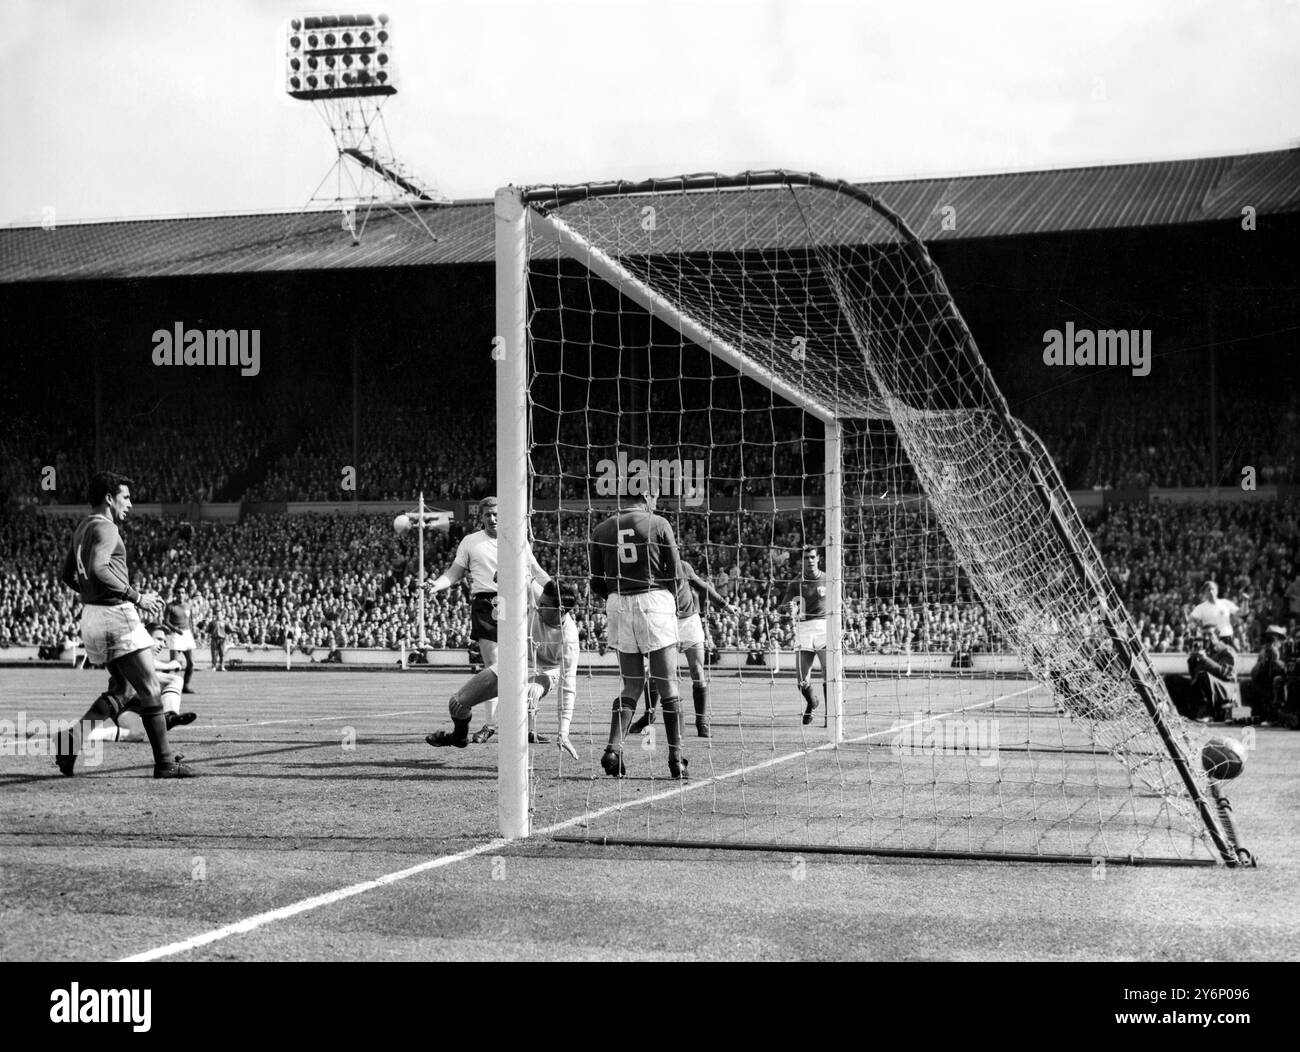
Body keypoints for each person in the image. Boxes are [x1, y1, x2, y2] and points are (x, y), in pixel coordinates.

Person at [55, 471, 195, 778]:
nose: (130, 504)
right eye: (126, 497)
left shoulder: (82, 528)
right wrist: (137, 596)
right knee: (150, 687)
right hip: (115, 614)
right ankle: (165, 762)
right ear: (109, 498)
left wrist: (93, 595)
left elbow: (68, 575)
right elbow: (98, 567)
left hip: (92, 615)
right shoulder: (107, 529)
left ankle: (72, 739)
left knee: (122, 689)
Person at [427, 497, 551, 743]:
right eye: (488, 515)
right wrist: (436, 585)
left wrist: (557, 592)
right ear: (481, 517)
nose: (493, 519)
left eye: (496, 514)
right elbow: (454, 573)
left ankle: (522, 726)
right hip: (486, 605)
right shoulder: (471, 542)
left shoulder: (518, 540)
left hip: (516, 602)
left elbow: (536, 571)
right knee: (495, 668)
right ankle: (491, 724)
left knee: (523, 666)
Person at [590, 485, 685, 778]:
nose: (656, 501)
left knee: (631, 685)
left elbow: (595, 581)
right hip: (653, 599)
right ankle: (676, 759)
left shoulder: (602, 528)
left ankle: (613, 750)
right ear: (646, 495)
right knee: (667, 684)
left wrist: (617, 597)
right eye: (655, 496)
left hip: (618, 603)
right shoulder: (658, 523)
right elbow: (677, 574)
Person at [426, 579, 580, 756]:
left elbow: (568, 686)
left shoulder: (569, 640)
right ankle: (458, 738)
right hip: (515, 661)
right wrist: (504, 573)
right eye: (539, 602)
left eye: (544, 605)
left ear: (560, 610)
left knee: (529, 693)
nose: (538, 607)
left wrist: (563, 732)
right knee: (457, 704)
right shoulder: (538, 596)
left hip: (547, 671)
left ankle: (516, 762)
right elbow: (525, 571)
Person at [630, 557, 735, 738]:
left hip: (689, 621)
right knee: (655, 673)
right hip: (663, 621)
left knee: (697, 671)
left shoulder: (683, 566)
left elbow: (701, 586)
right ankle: (649, 715)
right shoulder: (649, 570)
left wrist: (724, 604)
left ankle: (701, 722)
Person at [87, 624, 198, 742]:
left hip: (137, 706)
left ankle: (169, 716)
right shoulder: (133, 651)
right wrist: (169, 665)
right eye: (159, 639)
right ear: (146, 638)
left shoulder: (145, 659)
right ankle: (169, 716)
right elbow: (144, 665)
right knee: (175, 680)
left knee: (137, 734)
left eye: (164, 641)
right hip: (122, 705)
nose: (163, 645)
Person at [781, 545, 830, 725]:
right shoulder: (796, 583)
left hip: (825, 627)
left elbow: (840, 603)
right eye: (806, 558)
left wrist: (845, 629)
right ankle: (812, 702)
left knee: (829, 673)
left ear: (818, 559)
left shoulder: (828, 579)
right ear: (801, 561)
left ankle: (830, 716)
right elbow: (783, 606)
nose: (809, 561)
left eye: (812, 557)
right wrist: (788, 607)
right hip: (804, 628)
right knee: (801, 679)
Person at [1187, 623, 1240, 723]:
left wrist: (1206, 660)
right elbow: (1194, 676)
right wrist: (1193, 659)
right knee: (1172, 679)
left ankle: (1207, 713)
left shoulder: (1226, 650)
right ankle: (1179, 712)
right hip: (1208, 686)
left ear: (1217, 635)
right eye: (1204, 635)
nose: (1206, 638)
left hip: (1226, 688)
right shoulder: (1204, 651)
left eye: (1209, 635)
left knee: (1204, 675)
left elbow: (1228, 674)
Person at [163, 586, 199, 693]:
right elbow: (165, 621)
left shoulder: (188, 605)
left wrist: (193, 631)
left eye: (182, 592)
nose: (180, 594)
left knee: (191, 663)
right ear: (175, 594)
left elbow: (190, 620)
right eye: (178, 592)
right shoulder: (170, 606)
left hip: (187, 634)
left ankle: (186, 687)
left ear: (185, 594)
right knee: (174, 664)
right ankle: (160, 684)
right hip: (176, 634)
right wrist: (175, 629)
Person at [1188, 581, 1240, 646]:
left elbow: (1241, 613)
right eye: (1208, 590)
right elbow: (1191, 619)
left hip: (1227, 637)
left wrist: (1246, 601)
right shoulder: (1200, 607)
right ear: (1205, 593)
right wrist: (1194, 626)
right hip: (1211, 640)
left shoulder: (1225, 603)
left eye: (1213, 589)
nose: (1211, 591)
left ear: (1217, 591)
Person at [206, 606, 229, 671]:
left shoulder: (225, 622)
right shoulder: (212, 622)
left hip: (222, 639)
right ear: (215, 615)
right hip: (214, 639)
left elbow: (228, 630)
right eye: (217, 614)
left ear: (222, 615)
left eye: (220, 614)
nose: (218, 615)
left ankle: (222, 666)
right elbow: (207, 630)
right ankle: (214, 666)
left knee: (222, 654)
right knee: (214, 654)